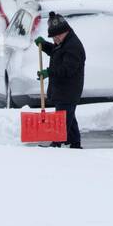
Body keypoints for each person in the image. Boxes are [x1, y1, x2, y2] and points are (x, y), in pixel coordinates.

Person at [35, 12, 86, 150]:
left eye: (56, 37)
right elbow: (57, 53)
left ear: (64, 32)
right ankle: (75, 144)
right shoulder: (65, 42)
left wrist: (48, 72)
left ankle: (56, 145)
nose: (55, 40)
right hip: (63, 91)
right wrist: (44, 45)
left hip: (68, 91)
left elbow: (66, 70)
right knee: (69, 119)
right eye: (52, 38)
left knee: (62, 121)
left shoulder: (73, 46)